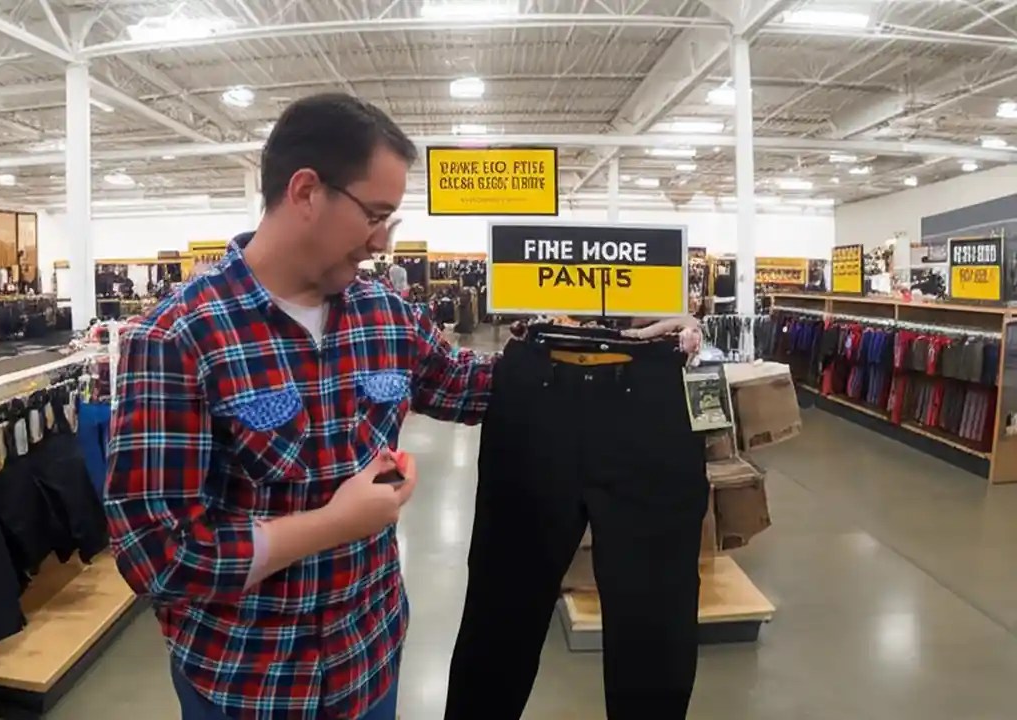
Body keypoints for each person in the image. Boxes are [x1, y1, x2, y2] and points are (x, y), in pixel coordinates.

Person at [104, 93, 700, 720]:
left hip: (371, 660)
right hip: (250, 682)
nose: (383, 241)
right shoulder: (175, 339)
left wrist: (608, 346)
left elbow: (475, 386)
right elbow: (157, 555)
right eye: (375, 215)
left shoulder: (383, 315)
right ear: (306, 191)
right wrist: (331, 524)